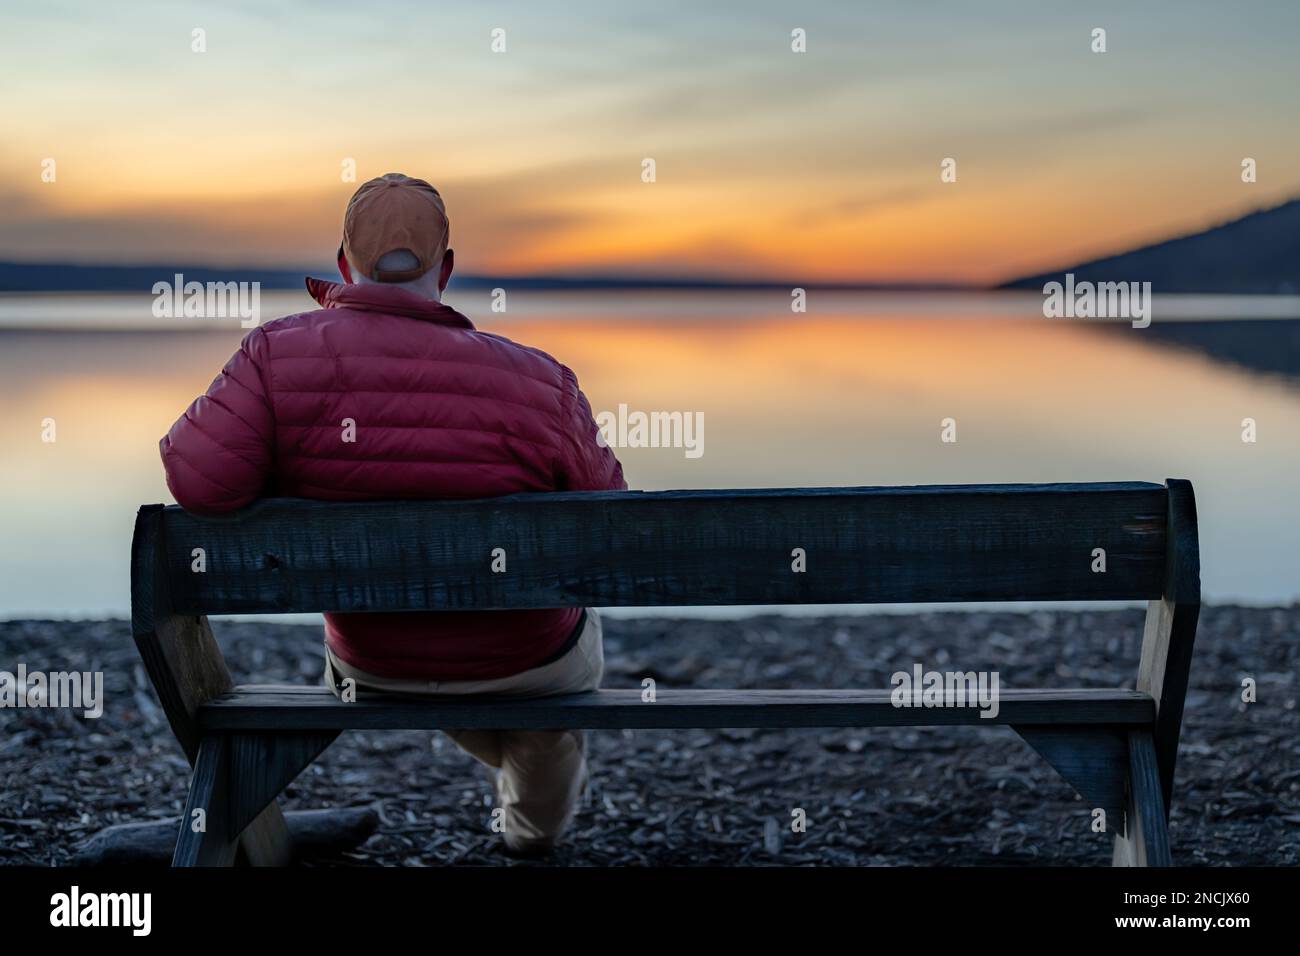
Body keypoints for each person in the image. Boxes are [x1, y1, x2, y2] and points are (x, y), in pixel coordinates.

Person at [159, 172, 626, 855]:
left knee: (440, 656)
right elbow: (608, 528)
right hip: (528, 658)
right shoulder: (541, 381)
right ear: (448, 270)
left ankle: (520, 795)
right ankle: (532, 831)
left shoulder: (274, 357)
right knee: (546, 702)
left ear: (344, 265)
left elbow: (200, 485)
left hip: (372, 659)